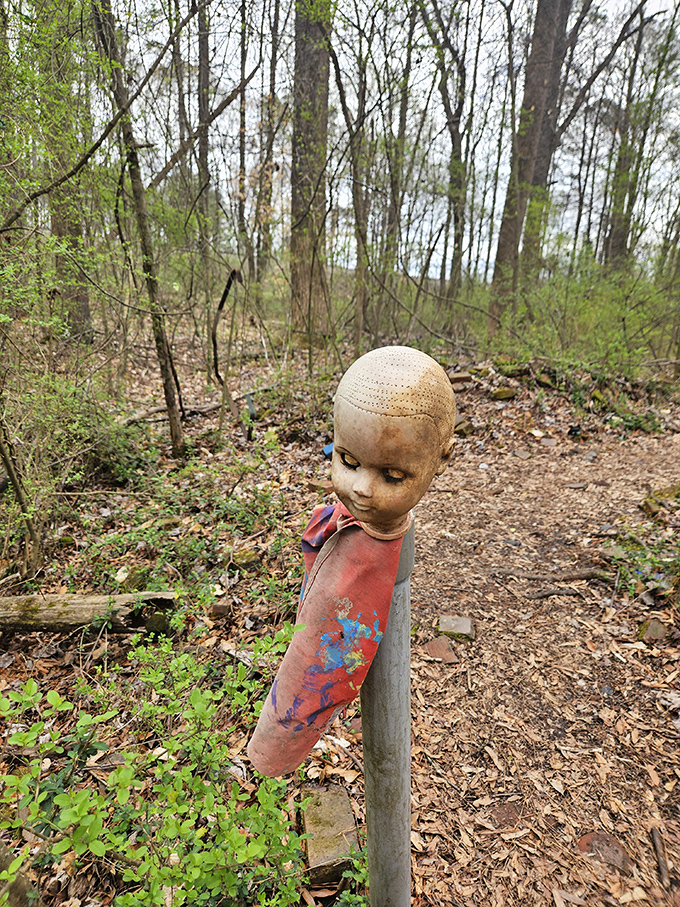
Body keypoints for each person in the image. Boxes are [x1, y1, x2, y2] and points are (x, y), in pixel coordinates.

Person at [247, 346, 456, 777]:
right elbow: (311, 649)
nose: (362, 489)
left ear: (440, 460)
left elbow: (320, 667)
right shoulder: (340, 526)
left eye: (392, 476)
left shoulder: (365, 563)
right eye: (347, 461)